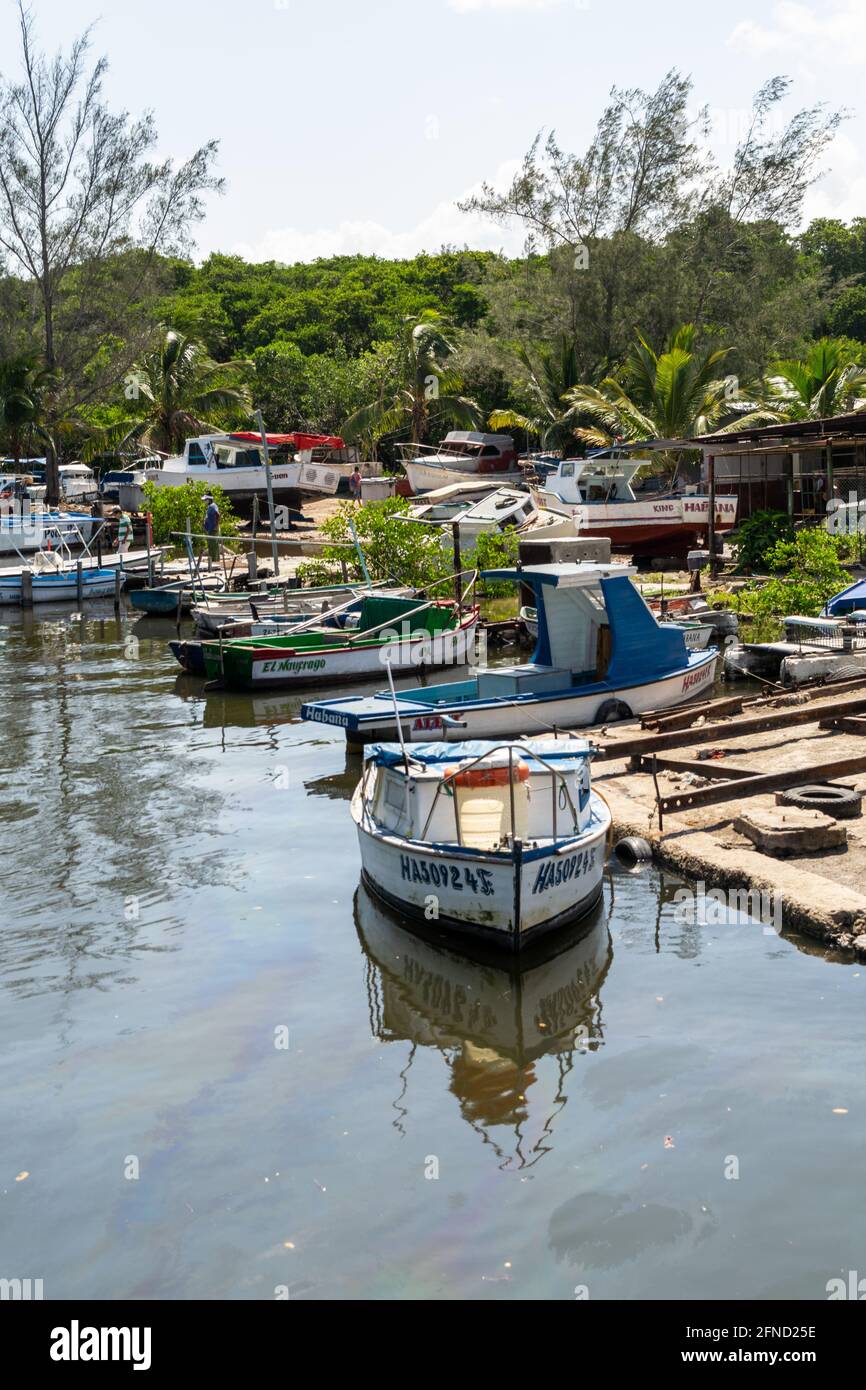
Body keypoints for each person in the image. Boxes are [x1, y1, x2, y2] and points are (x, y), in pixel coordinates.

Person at [203, 493, 221, 568]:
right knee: (211, 545)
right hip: (210, 529)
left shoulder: (212, 506)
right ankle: (214, 560)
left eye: (205, 500)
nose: (204, 501)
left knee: (213, 545)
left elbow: (218, 515)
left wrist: (216, 526)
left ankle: (214, 561)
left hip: (213, 529)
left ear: (209, 500)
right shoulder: (210, 506)